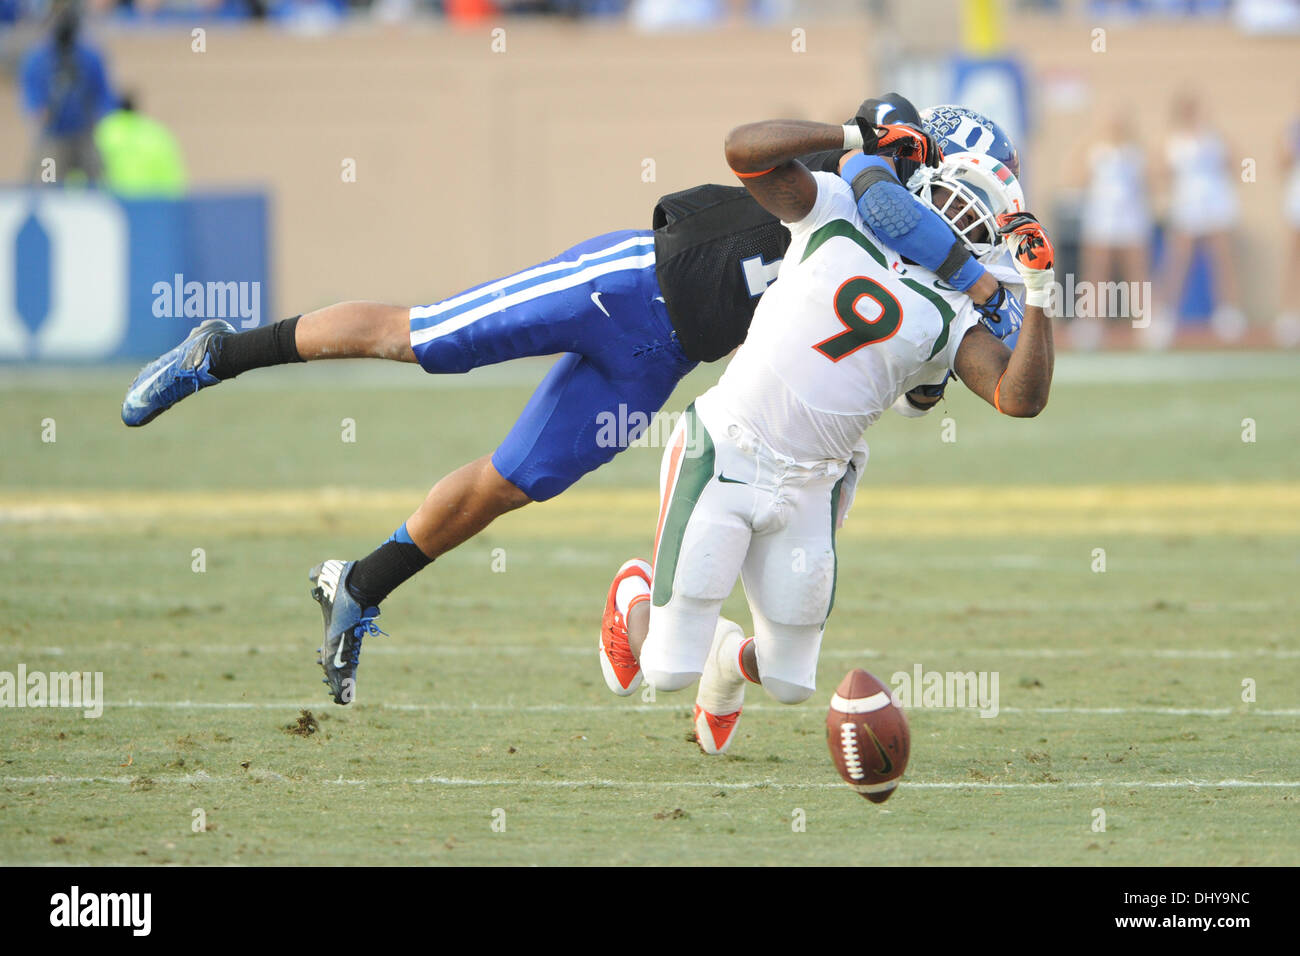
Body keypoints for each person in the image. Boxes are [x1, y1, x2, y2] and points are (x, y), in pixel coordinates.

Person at [120, 95, 1020, 706]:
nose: (970, 212)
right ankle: (223, 352)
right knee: (424, 338)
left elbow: (926, 389)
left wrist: (972, 289)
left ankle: (357, 584)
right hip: (626, 283)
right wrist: (864, 140)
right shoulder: (849, 176)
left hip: (659, 362)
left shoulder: (925, 268)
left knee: (514, 482)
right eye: (966, 188)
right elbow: (761, 144)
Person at [596, 118, 1054, 755]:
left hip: (813, 483)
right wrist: (850, 134)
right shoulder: (838, 208)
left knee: (787, 681)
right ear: (924, 182)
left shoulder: (956, 310)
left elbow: (1018, 398)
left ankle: (727, 663)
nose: (961, 216)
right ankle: (633, 597)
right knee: (668, 669)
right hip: (729, 446)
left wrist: (1037, 294)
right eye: (954, 197)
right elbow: (743, 150)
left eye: (979, 214)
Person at [1157, 92, 1244, 345]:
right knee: (1178, 260)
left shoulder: (1214, 137)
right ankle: (1166, 315)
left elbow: (1234, 163)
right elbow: (1162, 172)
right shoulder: (1173, 141)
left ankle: (1228, 312)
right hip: (1187, 204)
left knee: (1222, 259)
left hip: (1215, 202)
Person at [1072, 110, 1152, 349]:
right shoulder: (1095, 151)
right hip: (1101, 217)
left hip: (1130, 217)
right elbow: (1076, 178)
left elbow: (1148, 183)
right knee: (1097, 273)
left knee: (1136, 272)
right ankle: (1091, 322)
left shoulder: (1135, 153)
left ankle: (1144, 322)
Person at [19, 5, 116, 186]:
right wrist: (39, 111)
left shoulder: (89, 56)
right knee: (48, 181)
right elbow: (31, 96)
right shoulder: (39, 59)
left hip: (85, 132)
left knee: (100, 181)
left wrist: (100, 117)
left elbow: (104, 94)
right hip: (53, 134)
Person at [94, 93, 187, 197]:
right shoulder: (157, 134)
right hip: (152, 203)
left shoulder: (102, 132)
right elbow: (172, 176)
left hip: (113, 205)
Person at [1278, 106, 1300, 347]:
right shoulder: (1294, 128)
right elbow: (1282, 162)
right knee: (1294, 257)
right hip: (1297, 195)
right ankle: (1289, 315)